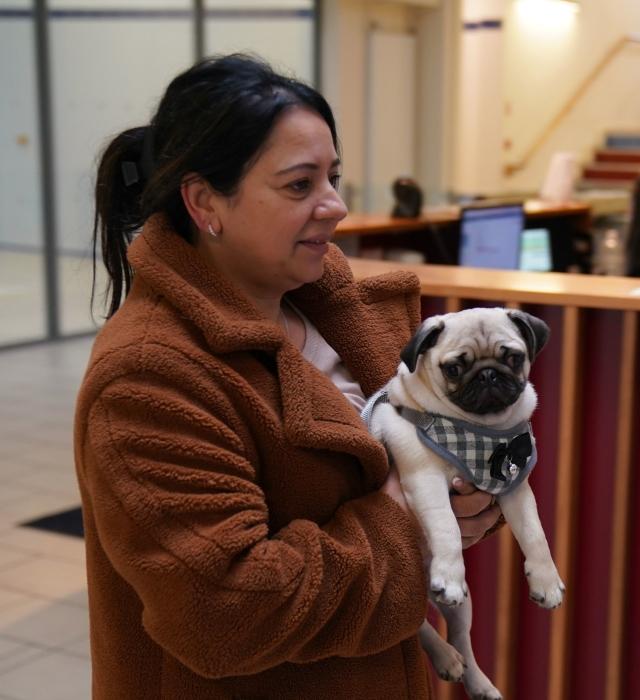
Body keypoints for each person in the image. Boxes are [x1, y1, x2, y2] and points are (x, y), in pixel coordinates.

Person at [74, 54, 501, 699]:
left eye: (333, 177)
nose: (337, 207)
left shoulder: (335, 313)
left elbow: (432, 473)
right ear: (204, 202)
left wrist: (471, 491)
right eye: (300, 185)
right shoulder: (148, 375)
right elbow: (224, 613)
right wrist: (413, 517)